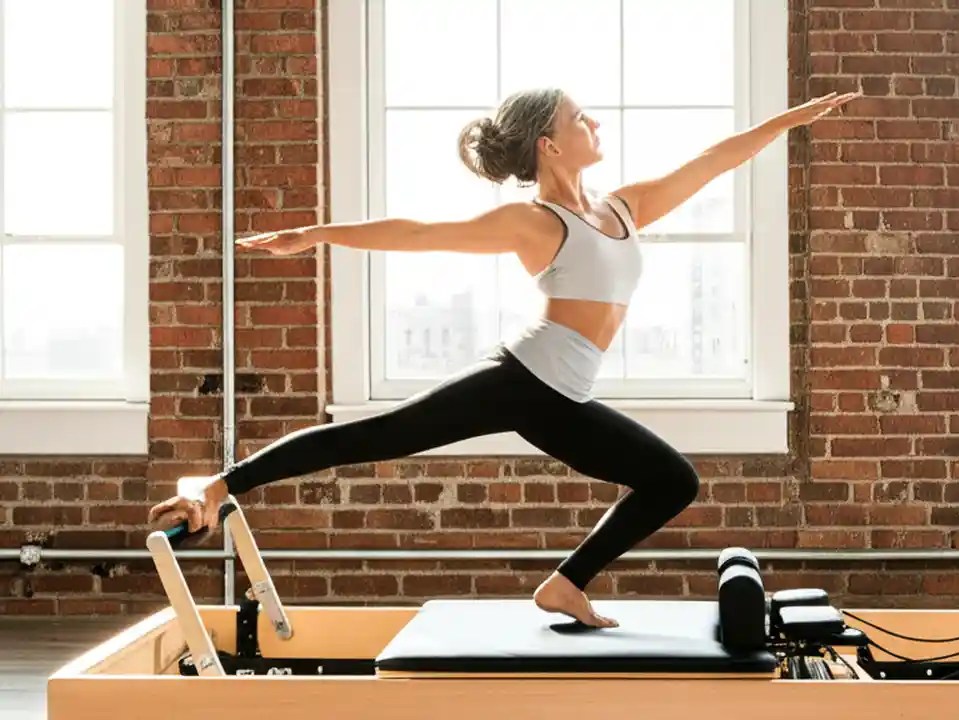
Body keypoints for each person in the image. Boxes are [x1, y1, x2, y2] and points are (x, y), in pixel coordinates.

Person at [148, 86, 862, 628]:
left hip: (565, 395)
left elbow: (711, 162)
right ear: (549, 145)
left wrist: (788, 122)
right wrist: (317, 234)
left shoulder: (620, 209)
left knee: (671, 480)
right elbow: (422, 232)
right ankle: (218, 484)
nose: (595, 125)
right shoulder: (535, 221)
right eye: (580, 119)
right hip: (523, 381)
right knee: (379, 436)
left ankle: (566, 583)